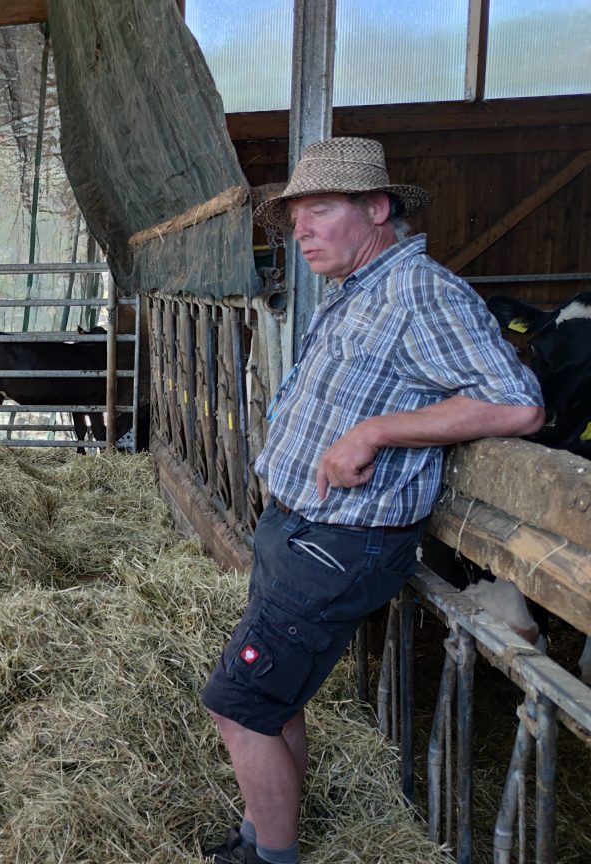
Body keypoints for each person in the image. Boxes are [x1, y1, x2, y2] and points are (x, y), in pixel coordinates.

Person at [199, 138, 543, 864]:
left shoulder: (420, 291)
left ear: (377, 209)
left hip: (337, 542)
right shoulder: (359, 290)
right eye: (295, 217)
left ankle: (271, 857)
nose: (302, 231)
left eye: (320, 211)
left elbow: (516, 404)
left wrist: (380, 430)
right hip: (297, 529)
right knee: (272, 700)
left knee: (238, 705)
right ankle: (261, 836)